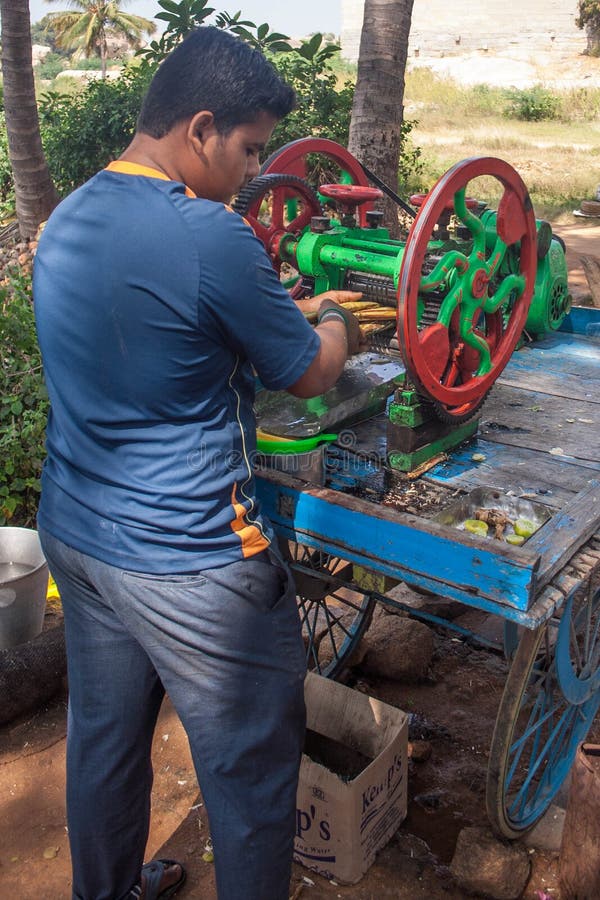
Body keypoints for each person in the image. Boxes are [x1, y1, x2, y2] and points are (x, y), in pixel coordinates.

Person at [33, 25, 364, 900]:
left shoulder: (70, 213)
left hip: (77, 531)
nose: (255, 171)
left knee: (104, 737)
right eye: (250, 150)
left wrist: (260, 307)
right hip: (192, 561)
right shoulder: (209, 237)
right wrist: (336, 317)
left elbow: (161, 331)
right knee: (251, 775)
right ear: (201, 128)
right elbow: (310, 373)